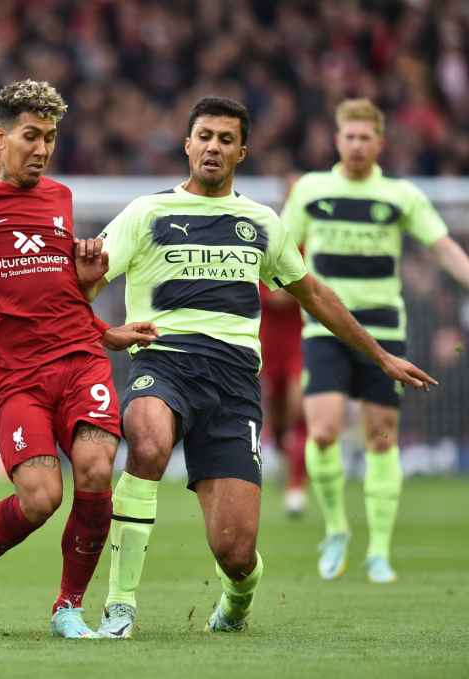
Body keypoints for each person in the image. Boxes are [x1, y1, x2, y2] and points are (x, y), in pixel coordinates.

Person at [75, 97, 435, 637]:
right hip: (164, 362)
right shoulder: (146, 213)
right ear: (188, 143)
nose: (213, 147)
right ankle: (119, 606)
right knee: (146, 443)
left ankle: (236, 602)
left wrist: (381, 356)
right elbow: (80, 287)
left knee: (235, 552)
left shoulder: (262, 222)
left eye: (226, 139)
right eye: (204, 136)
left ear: (241, 151)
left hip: (235, 383)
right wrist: (103, 328)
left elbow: (314, 295)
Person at [0, 80, 157, 638]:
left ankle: (68, 608)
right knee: (42, 498)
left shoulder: (61, 198)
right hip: (18, 377)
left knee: (95, 469)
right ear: (0, 138)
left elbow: (59, 293)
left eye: (50, 137)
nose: (42, 148)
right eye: (31, 136)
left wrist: (105, 329)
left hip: (81, 360)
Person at [280, 99, 469, 583]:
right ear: (337, 139)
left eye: (366, 138)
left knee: (381, 437)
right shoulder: (310, 190)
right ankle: (336, 529)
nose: (357, 145)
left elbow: (443, 247)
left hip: (384, 330)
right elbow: (279, 248)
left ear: (379, 143)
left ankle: (379, 551)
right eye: (350, 136)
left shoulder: (400, 195)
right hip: (325, 327)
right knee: (323, 431)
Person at [258, 284, 308, 516]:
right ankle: (280, 451)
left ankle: (296, 486)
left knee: (299, 408)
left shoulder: (308, 258)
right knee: (277, 413)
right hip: (270, 341)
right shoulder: (259, 259)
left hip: (300, 338)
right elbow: (268, 295)